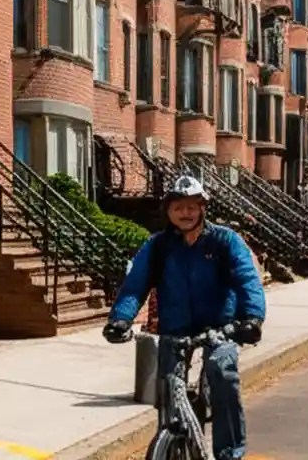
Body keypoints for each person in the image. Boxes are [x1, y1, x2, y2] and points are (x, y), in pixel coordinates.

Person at [103, 174, 266, 460]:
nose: (185, 213)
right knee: (167, 388)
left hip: (221, 327)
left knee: (221, 371)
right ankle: (172, 446)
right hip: (175, 328)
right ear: (168, 211)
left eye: (192, 206)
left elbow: (247, 280)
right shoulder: (158, 246)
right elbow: (135, 285)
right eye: (178, 207)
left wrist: (251, 318)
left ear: (203, 208)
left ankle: (230, 453)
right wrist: (120, 319)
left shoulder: (225, 241)